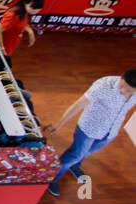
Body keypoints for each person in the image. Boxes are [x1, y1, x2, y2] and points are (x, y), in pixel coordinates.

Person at [42, 68, 136, 197]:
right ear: (121, 77)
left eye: (128, 90)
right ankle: (52, 178)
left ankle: (74, 166)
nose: (123, 91)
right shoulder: (103, 85)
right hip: (89, 129)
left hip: (110, 131)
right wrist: (59, 124)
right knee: (74, 155)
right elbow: (79, 104)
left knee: (87, 152)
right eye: (122, 86)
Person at [0, 0, 45, 64]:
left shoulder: (25, 11)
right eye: (33, 8)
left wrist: (30, 32)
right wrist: (1, 49)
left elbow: (22, 22)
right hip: (1, 46)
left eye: (38, 8)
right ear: (24, 3)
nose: (35, 11)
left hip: (11, 43)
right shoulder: (12, 15)